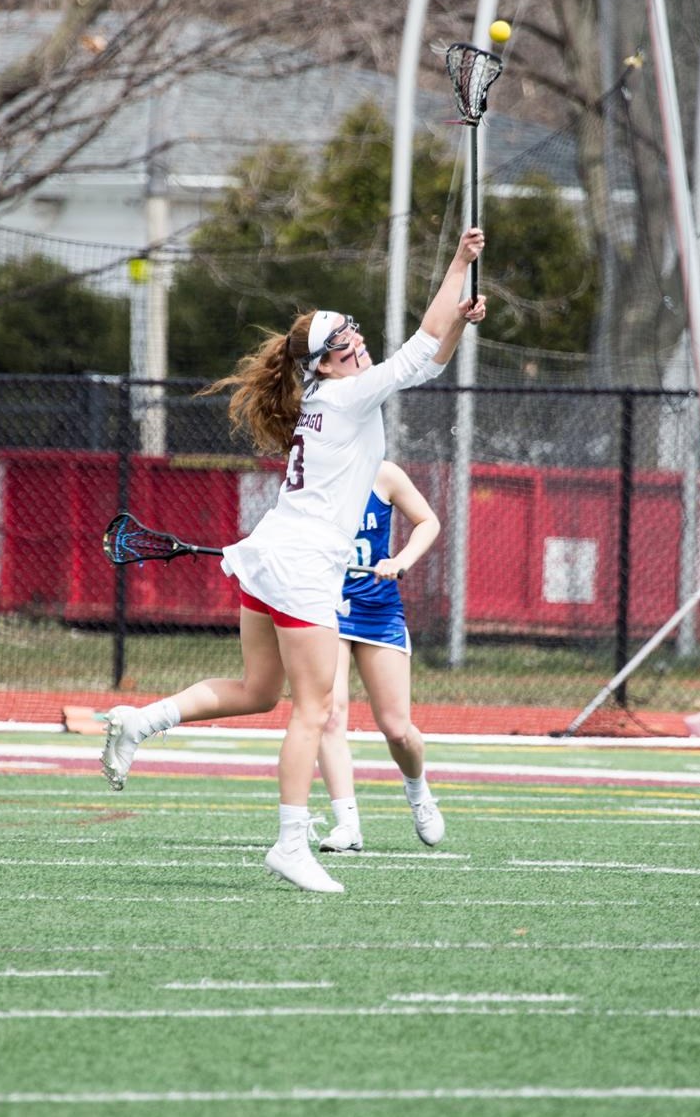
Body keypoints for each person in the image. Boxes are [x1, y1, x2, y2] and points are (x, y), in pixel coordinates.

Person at [98, 227, 488, 894]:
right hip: (302, 565)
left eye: (356, 335)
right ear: (326, 365)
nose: (360, 345)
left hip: (272, 553)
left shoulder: (327, 394)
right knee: (312, 710)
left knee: (258, 691)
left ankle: (142, 720)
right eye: (348, 344)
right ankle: (290, 844)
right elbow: (422, 349)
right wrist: (457, 265)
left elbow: (429, 359)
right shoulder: (346, 394)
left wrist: (458, 320)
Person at [314, 460, 444, 853]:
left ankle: (418, 792)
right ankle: (348, 824)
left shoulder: (383, 474)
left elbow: (428, 522)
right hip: (326, 607)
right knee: (329, 714)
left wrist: (400, 561)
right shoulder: (311, 470)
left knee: (397, 729)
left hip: (378, 612)